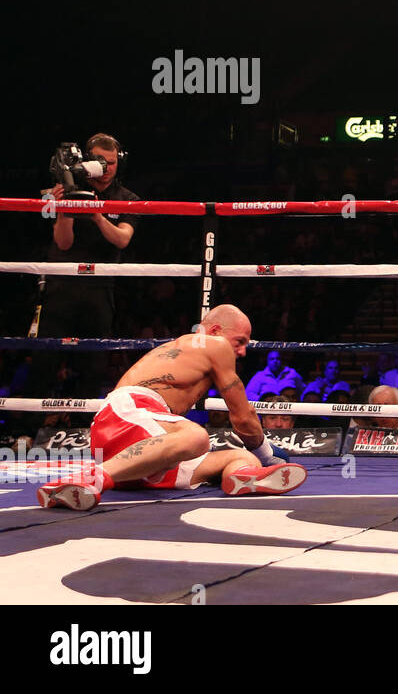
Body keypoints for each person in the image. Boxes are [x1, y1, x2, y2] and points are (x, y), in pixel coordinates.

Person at [36, 305, 304, 510]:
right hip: (127, 413)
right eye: (241, 341)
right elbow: (243, 416)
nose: (244, 351)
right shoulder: (214, 345)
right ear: (215, 332)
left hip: (139, 452)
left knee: (240, 458)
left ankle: (245, 477)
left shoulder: (187, 353)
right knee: (196, 437)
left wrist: (257, 459)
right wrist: (267, 452)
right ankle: (90, 477)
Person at [34, 133, 140, 401]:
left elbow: (123, 238)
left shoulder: (127, 197)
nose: (106, 168)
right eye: (100, 161)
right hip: (61, 285)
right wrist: (62, 207)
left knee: (93, 364)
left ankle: (85, 429)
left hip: (100, 289)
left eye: (112, 162)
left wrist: (96, 214)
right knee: (44, 361)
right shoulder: (62, 189)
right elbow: (63, 243)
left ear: (120, 162)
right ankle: (23, 430)